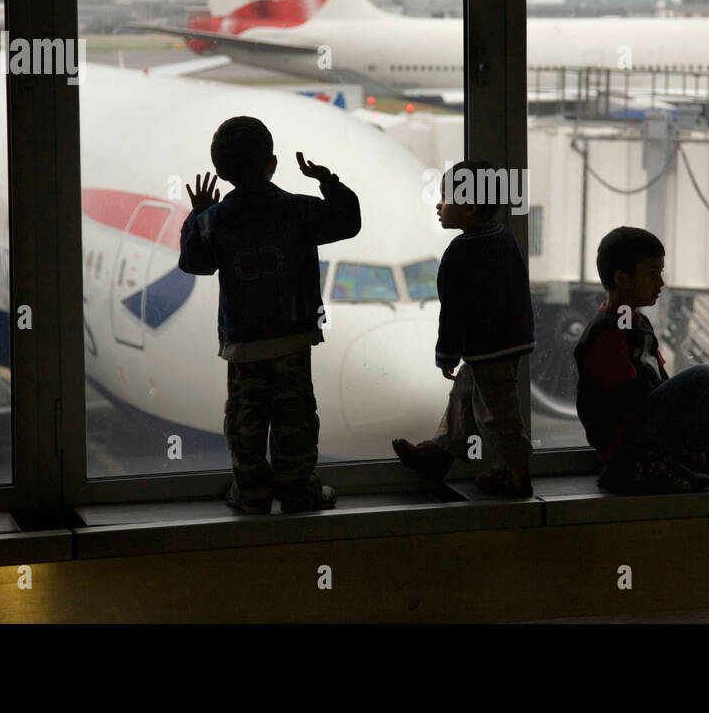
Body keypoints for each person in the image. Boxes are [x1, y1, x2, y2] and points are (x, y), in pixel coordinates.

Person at [178, 116, 360, 514]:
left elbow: (194, 263)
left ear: (222, 173)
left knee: (246, 424)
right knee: (295, 421)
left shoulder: (215, 220)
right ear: (272, 164)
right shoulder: (298, 211)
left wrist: (198, 213)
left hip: (244, 346)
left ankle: (252, 494)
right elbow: (349, 221)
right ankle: (299, 494)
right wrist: (326, 180)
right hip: (293, 340)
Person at [392, 160, 536, 497]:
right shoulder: (505, 238)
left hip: (487, 347)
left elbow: (454, 310)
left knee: (498, 414)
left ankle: (515, 475)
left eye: (445, 197)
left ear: (470, 207)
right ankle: (439, 454)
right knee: (465, 396)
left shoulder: (461, 251)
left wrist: (446, 353)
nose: (439, 205)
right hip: (509, 342)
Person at [573, 226, 709, 493]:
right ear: (622, 278)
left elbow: (660, 381)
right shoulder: (605, 333)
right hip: (626, 438)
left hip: (651, 427)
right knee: (703, 377)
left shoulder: (640, 324)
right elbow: (628, 403)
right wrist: (677, 425)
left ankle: (673, 462)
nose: (660, 284)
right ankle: (641, 466)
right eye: (652, 274)